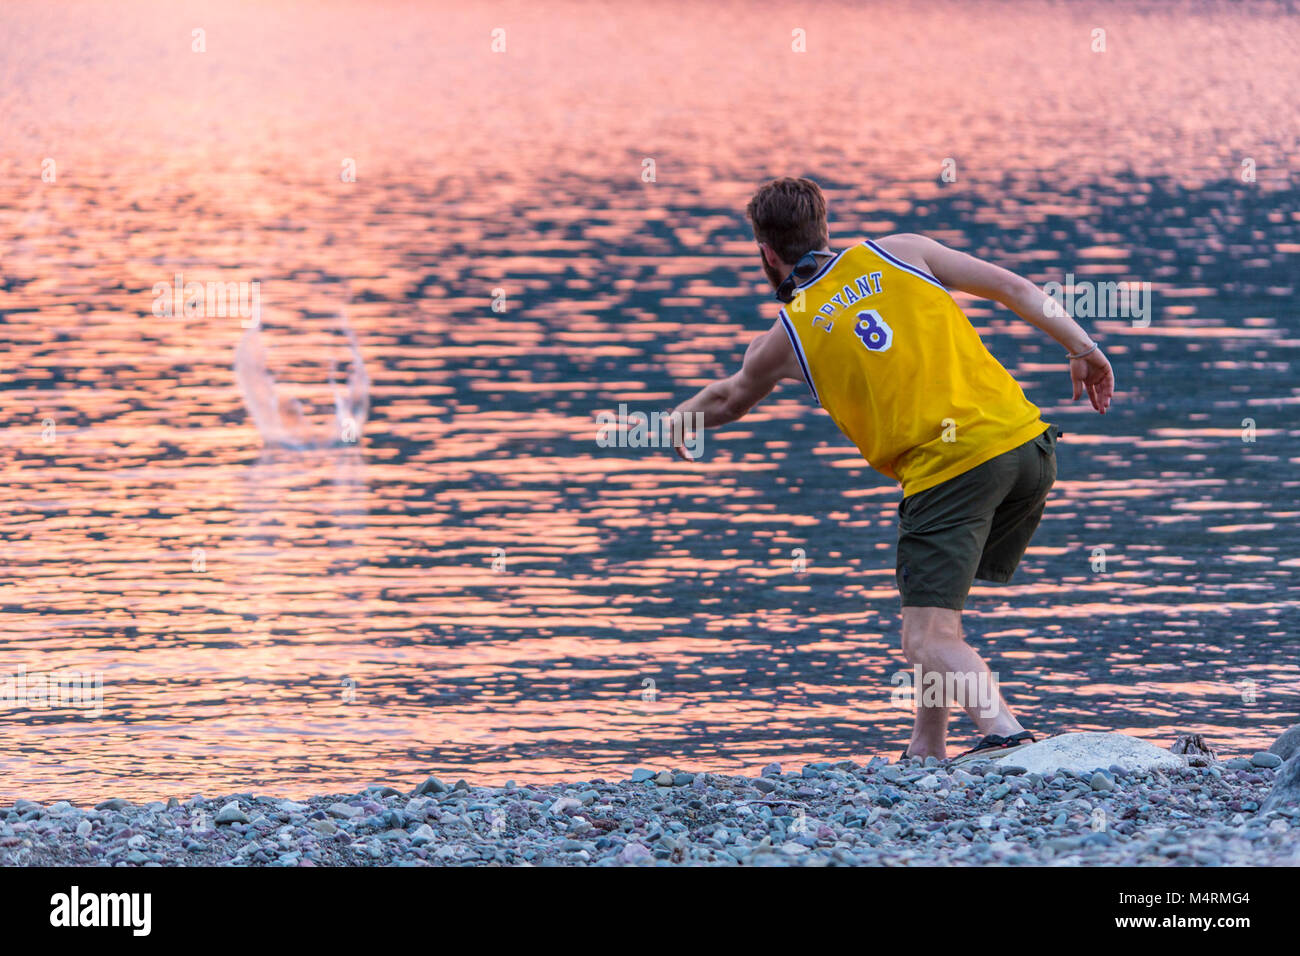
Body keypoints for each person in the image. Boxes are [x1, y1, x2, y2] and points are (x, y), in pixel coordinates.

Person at [668, 177, 1115, 761]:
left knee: (925, 636)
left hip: (951, 473)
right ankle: (926, 747)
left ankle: (1006, 736)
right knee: (937, 611)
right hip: (1027, 449)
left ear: (766, 254)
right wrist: (1083, 348)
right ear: (824, 227)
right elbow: (1013, 287)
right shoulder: (902, 251)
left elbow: (728, 399)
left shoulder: (787, 336)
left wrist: (675, 420)